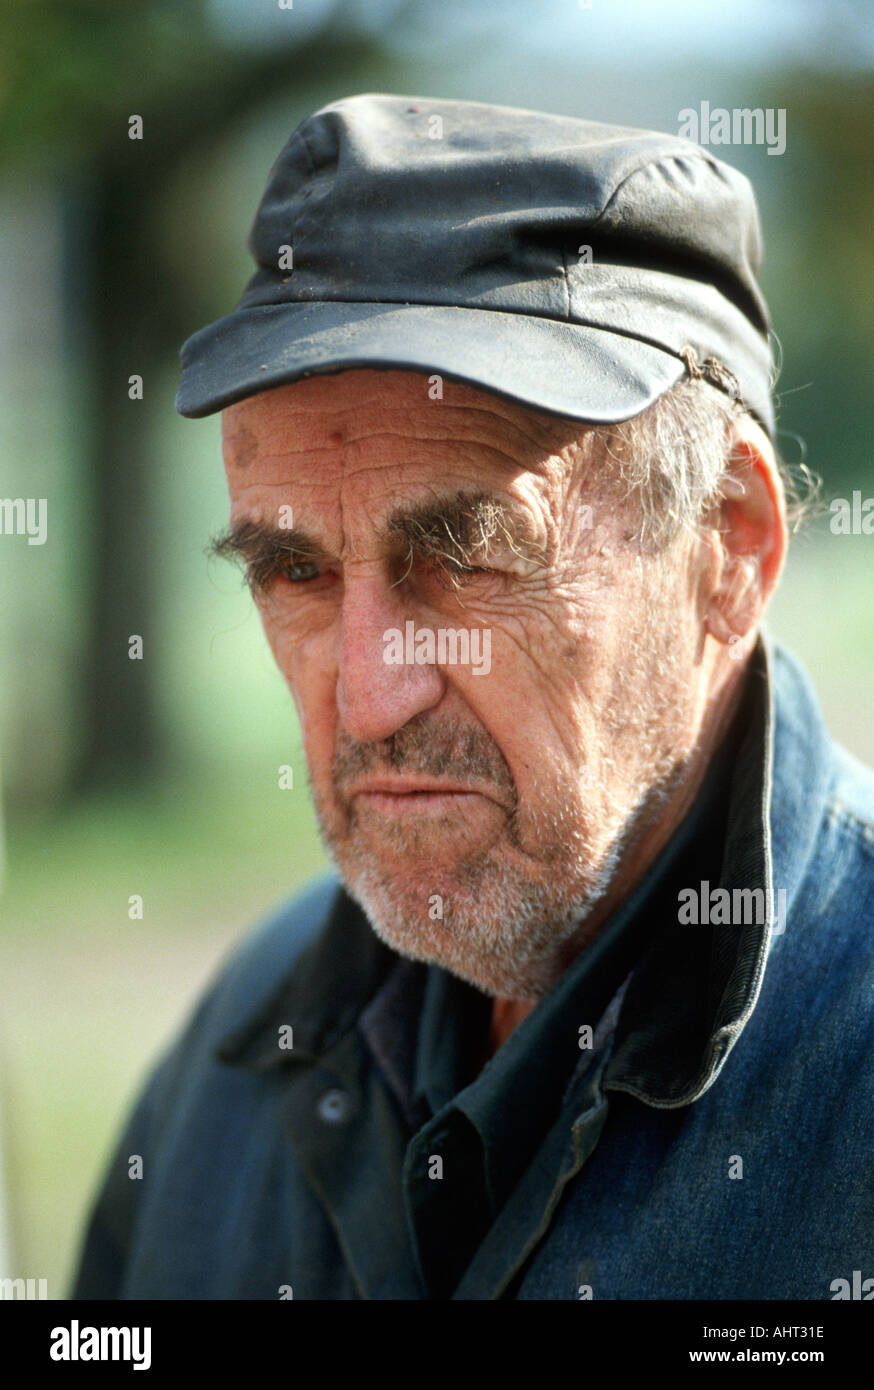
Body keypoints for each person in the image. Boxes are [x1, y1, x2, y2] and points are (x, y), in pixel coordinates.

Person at [71, 92, 874, 1301]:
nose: (371, 698)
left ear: (729, 546)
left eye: (466, 553)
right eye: (294, 569)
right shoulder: (246, 1038)